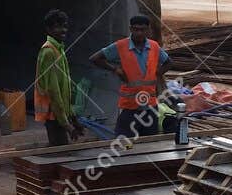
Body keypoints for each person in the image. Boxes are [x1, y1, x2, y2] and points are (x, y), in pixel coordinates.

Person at [90, 14, 170, 138]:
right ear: (130, 29)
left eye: (142, 30)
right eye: (136, 29)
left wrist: (157, 73)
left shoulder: (154, 46)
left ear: (148, 30)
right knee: (125, 145)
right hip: (129, 107)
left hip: (150, 107)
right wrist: (115, 69)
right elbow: (95, 58)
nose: (139, 33)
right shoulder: (121, 46)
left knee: (150, 144)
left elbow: (168, 62)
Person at [34, 9, 83, 147]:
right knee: (60, 156)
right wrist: (66, 125)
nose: (63, 30)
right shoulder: (49, 52)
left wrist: (73, 118)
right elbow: (54, 92)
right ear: (48, 29)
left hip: (60, 115)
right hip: (53, 116)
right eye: (57, 27)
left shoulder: (59, 49)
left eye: (65, 26)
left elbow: (64, 92)